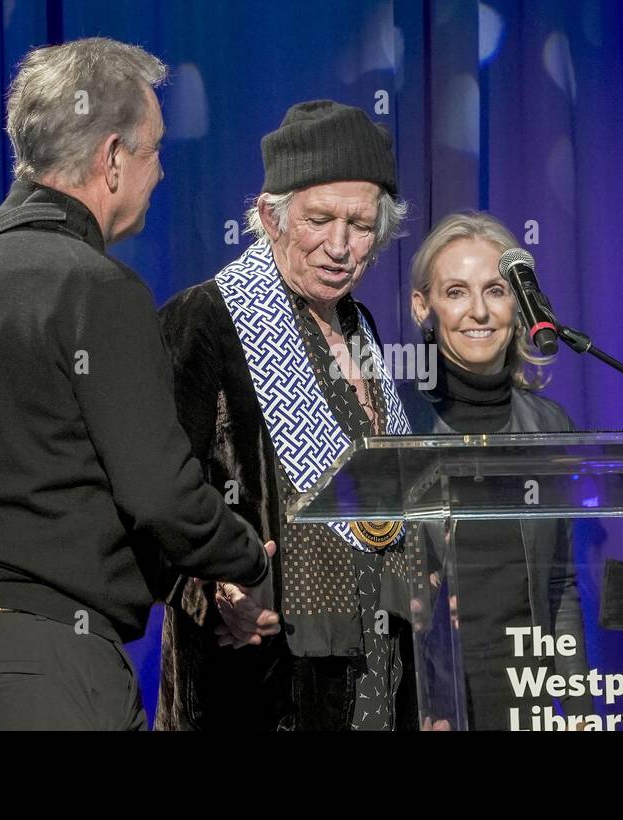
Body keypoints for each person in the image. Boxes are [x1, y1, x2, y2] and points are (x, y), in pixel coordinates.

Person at [0, 38, 272, 730]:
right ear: (111, 158)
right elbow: (160, 493)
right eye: (154, 151)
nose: (161, 174)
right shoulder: (95, 288)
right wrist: (245, 559)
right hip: (40, 660)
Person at [154, 100, 415, 731]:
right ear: (271, 219)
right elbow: (155, 499)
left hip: (376, 662)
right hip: (263, 672)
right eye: (318, 219)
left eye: (359, 225)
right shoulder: (206, 320)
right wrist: (214, 591)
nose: (338, 245)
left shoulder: (361, 328)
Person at [401, 212, 590, 730]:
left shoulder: (550, 426)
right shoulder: (393, 420)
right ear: (424, 307)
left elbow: (562, 585)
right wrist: (419, 706)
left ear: (521, 304)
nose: (479, 311)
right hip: (430, 698)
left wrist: (577, 711)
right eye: (457, 292)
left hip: (524, 694)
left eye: (497, 291)